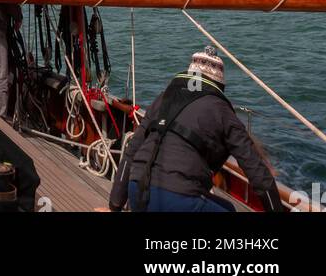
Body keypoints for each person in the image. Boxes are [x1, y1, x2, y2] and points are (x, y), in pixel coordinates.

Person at [109, 46, 284, 213]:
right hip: (177, 197)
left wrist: (115, 205)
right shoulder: (221, 110)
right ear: (219, 86)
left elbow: (131, 151)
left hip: (137, 191)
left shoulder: (162, 99)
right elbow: (258, 173)